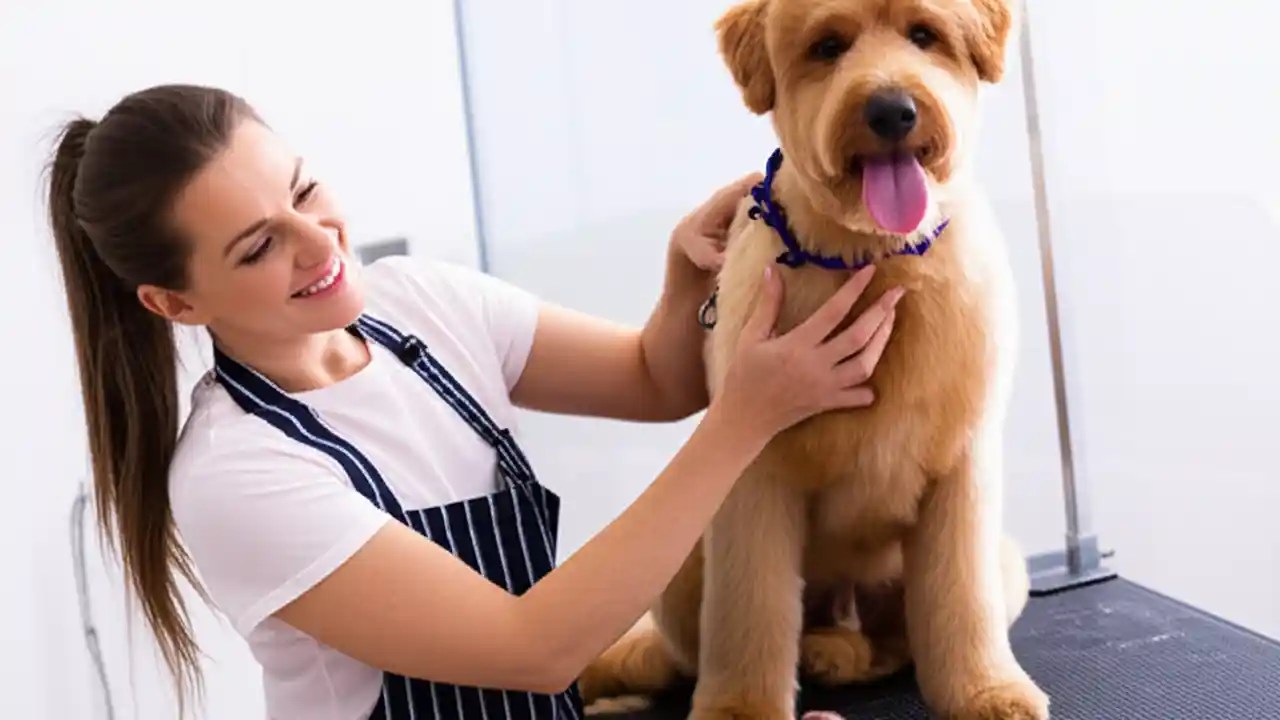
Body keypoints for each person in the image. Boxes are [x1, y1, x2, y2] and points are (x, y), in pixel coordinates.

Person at [46, 84, 904, 720]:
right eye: (260, 245)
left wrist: (688, 283)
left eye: (304, 193)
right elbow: (536, 650)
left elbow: (658, 381)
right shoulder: (239, 474)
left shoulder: (419, 303)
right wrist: (746, 422)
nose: (320, 244)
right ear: (176, 304)